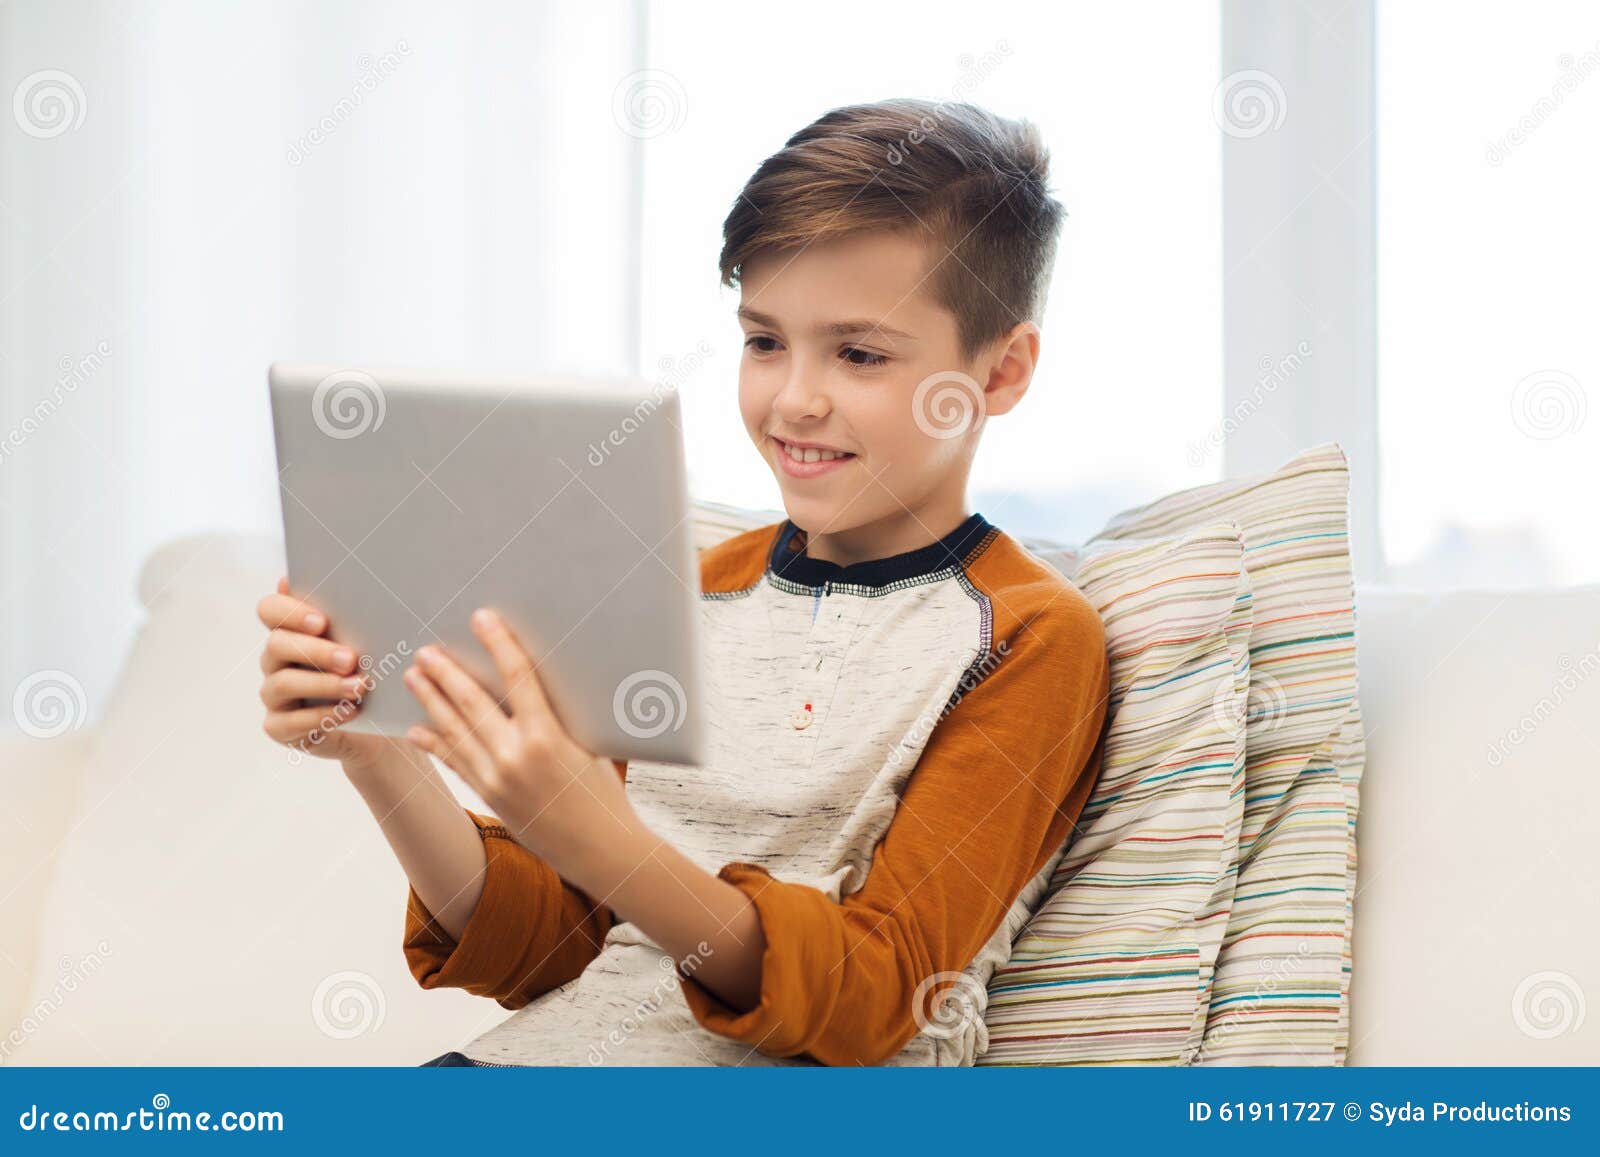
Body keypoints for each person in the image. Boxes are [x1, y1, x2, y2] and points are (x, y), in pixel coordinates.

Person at [254, 98, 1109, 1066]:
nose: (793, 399)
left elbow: (878, 995)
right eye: (764, 340)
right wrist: (376, 752)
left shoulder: (1026, 634)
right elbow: (558, 952)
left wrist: (603, 840)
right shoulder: (686, 591)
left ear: (999, 373)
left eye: (859, 353)